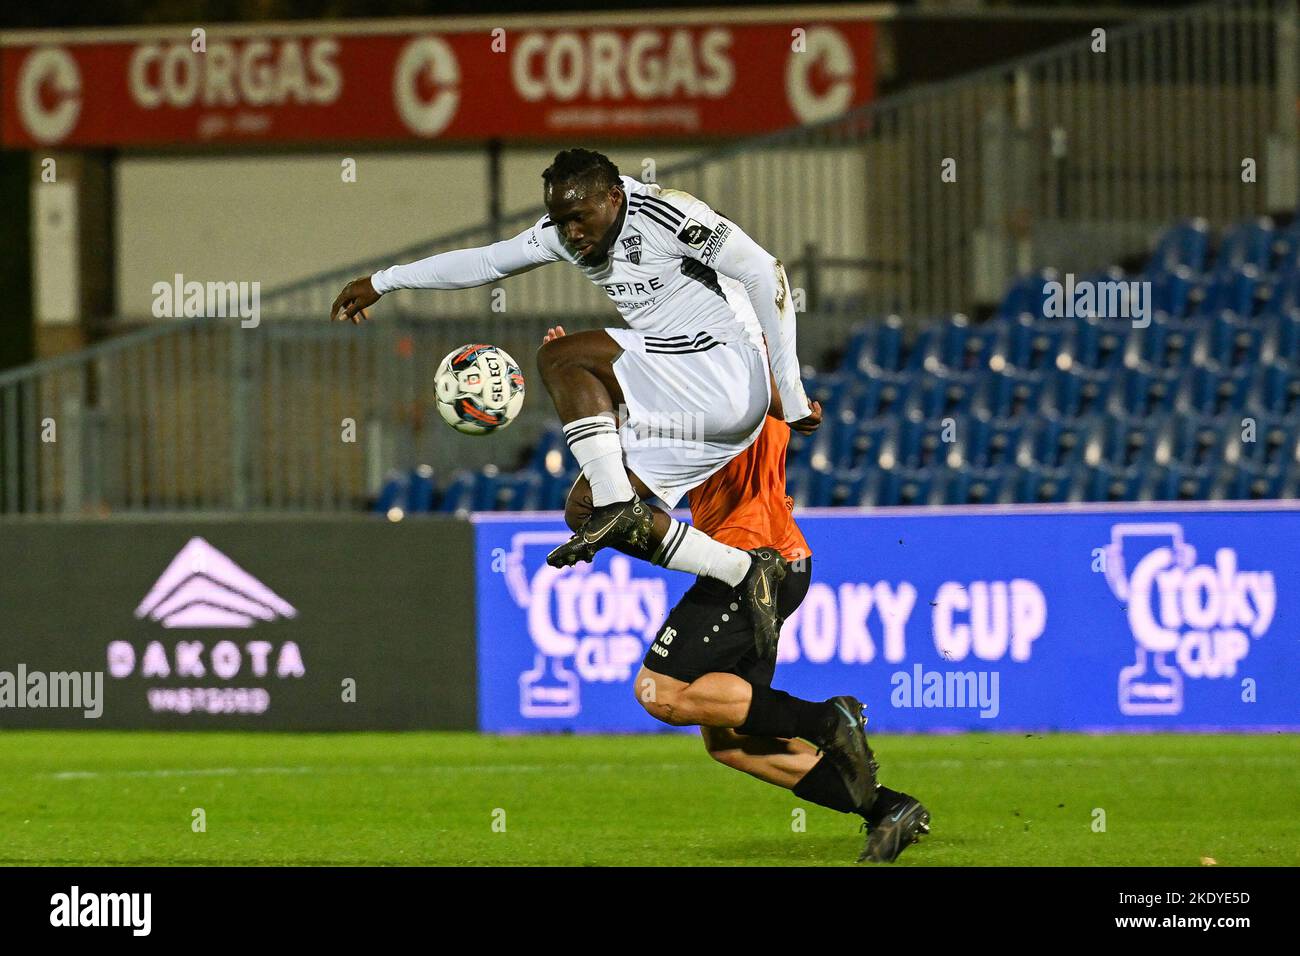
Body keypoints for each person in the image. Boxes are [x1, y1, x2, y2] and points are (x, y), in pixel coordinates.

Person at [330, 147, 822, 654]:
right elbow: (485, 261)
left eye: (580, 219)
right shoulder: (568, 233)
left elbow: (768, 271)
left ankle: (620, 505)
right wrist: (383, 281)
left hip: (726, 370)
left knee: (560, 359)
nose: (571, 235)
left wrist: (790, 390)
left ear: (613, 198)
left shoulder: (666, 215)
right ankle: (746, 571)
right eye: (561, 222)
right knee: (584, 509)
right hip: (697, 403)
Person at [544, 324, 930, 864]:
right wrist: (594, 383)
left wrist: (579, 381)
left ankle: (829, 720)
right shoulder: (741, 375)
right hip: (776, 561)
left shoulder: (715, 386)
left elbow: (613, 492)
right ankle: (888, 809)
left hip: (752, 566)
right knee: (729, 742)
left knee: (661, 693)